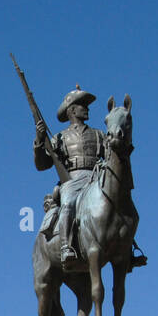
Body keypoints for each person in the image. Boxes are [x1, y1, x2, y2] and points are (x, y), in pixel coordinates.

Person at [34, 86, 104, 265]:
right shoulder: (60, 138)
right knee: (68, 204)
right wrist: (40, 141)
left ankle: (128, 248)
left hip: (96, 177)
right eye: (83, 105)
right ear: (72, 110)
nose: (87, 108)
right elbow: (42, 165)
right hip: (72, 180)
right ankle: (66, 246)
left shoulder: (98, 135)